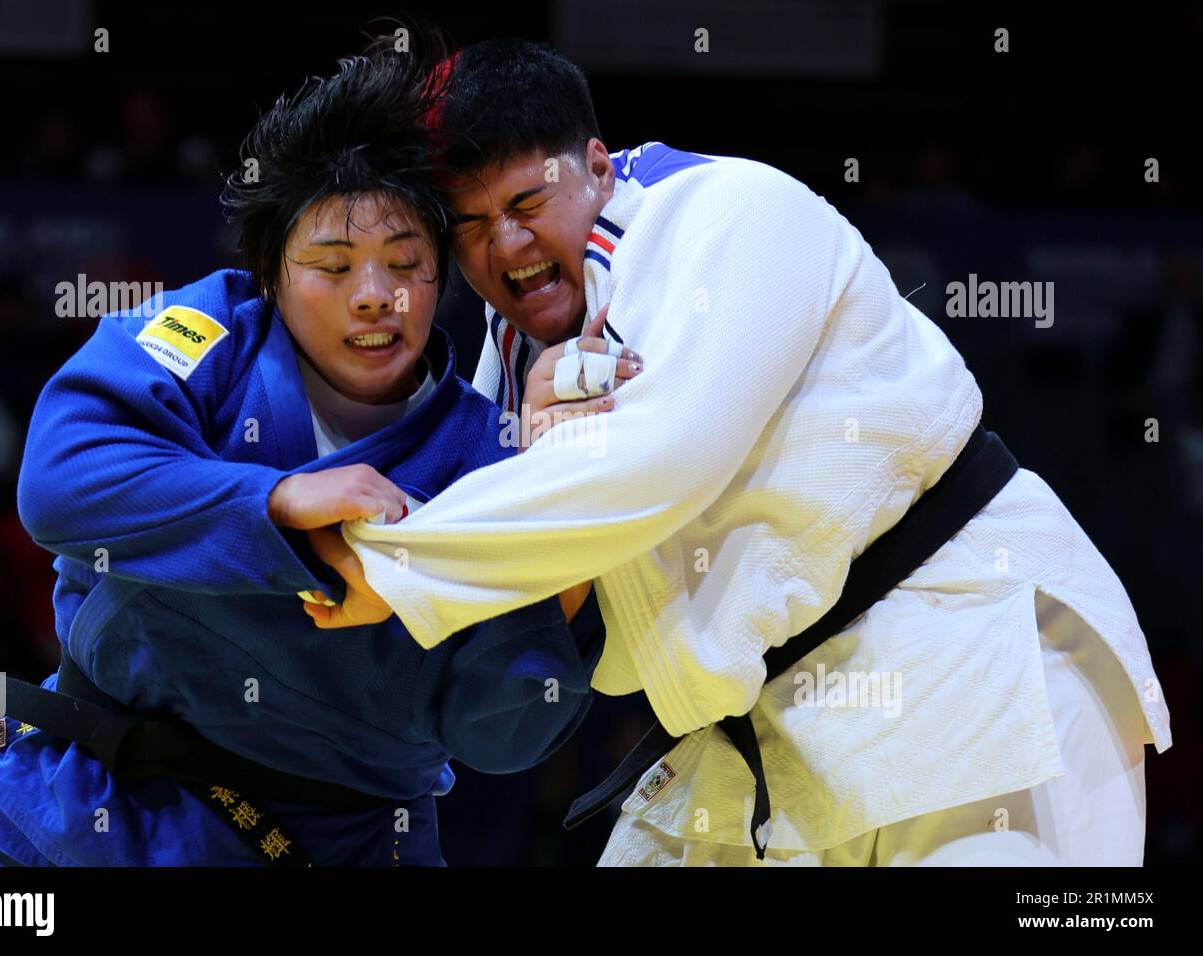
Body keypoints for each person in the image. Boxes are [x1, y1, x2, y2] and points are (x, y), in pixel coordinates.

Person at [318, 39, 1172, 866]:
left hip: (967, 662)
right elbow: (540, 593)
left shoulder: (727, 212)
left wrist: (389, 569)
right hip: (773, 728)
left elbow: (657, 464)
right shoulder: (510, 360)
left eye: (527, 207)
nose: (505, 246)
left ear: (598, 166)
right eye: (469, 225)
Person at [0, 40, 604, 867]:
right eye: (332, 265)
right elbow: (63, 483)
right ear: (270, 274)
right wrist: (276, 505)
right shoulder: (204, 334)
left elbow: (505, 732)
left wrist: (572, 537)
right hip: (81, 811)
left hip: (338, 845)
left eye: (405, 263)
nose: (375, 293)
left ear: (443, 274)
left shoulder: (484, 458)